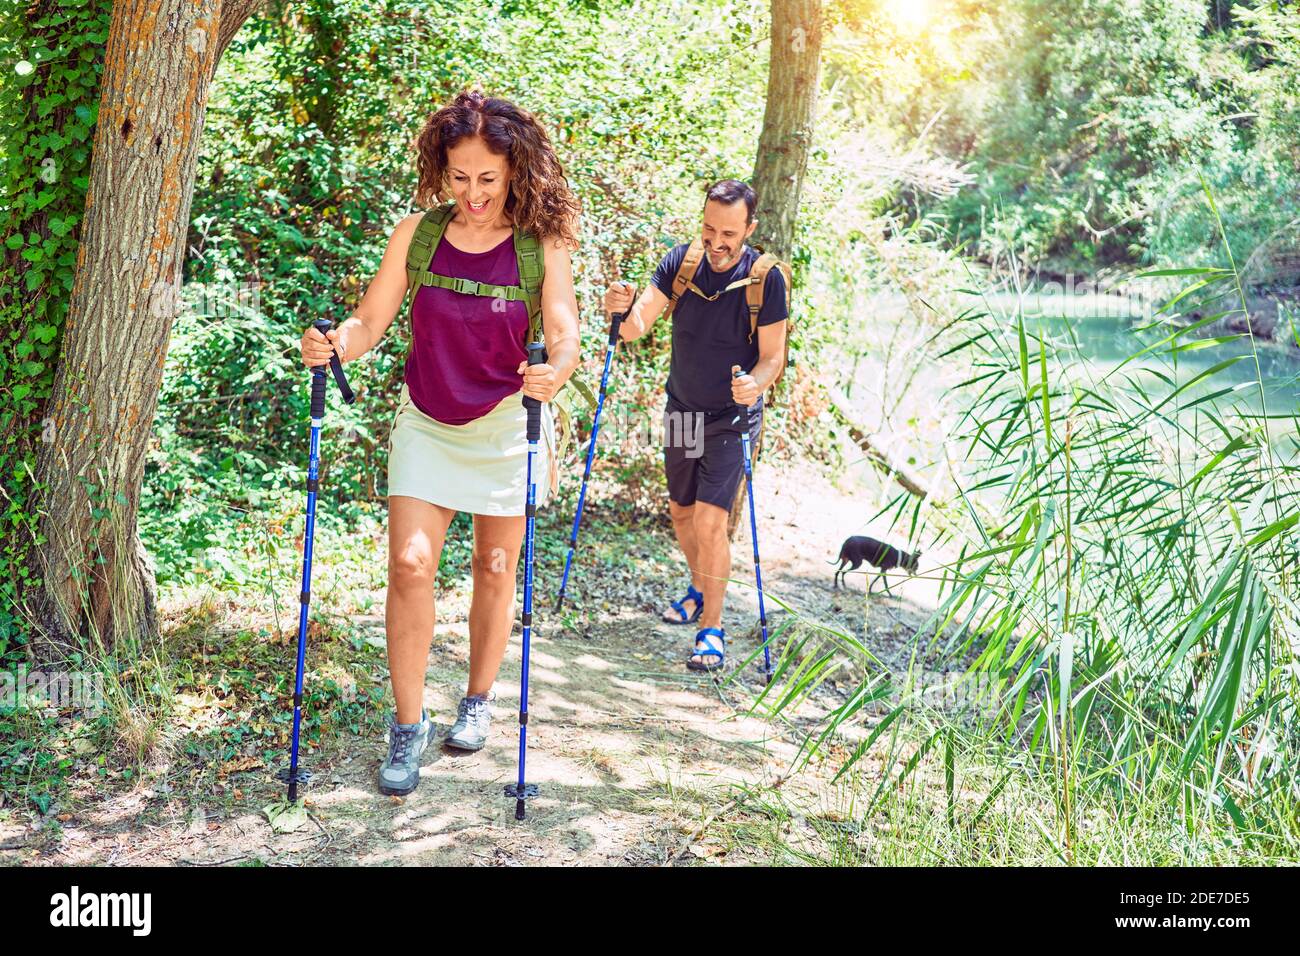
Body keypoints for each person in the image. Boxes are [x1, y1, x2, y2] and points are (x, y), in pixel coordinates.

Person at [298, 90, 582, 795]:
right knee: (409, 565)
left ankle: (479, 701)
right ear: (441, 169)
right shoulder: (416, 234)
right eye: (460, 177)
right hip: (427, 417)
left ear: (515, 171)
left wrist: (557, 368)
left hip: (506, 421)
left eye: (488, 178)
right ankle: (407, 724)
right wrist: (337, 343)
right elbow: (371, 320)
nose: (474, 192)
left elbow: (565, 325)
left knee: (492, 565)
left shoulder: (539, 242)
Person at [605, 180, 788, 671]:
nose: (717, 241)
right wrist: (619, 311)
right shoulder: (680, 263)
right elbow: (636, 325)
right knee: (682, 514)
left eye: (729, 232)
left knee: (710, 520)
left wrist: (755, 383)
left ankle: (712, 628)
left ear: (750, 228)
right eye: (709, 228)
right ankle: (699, 584)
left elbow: (773, 358)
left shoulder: (765, 280)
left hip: (731, 418)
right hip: (683, 410)